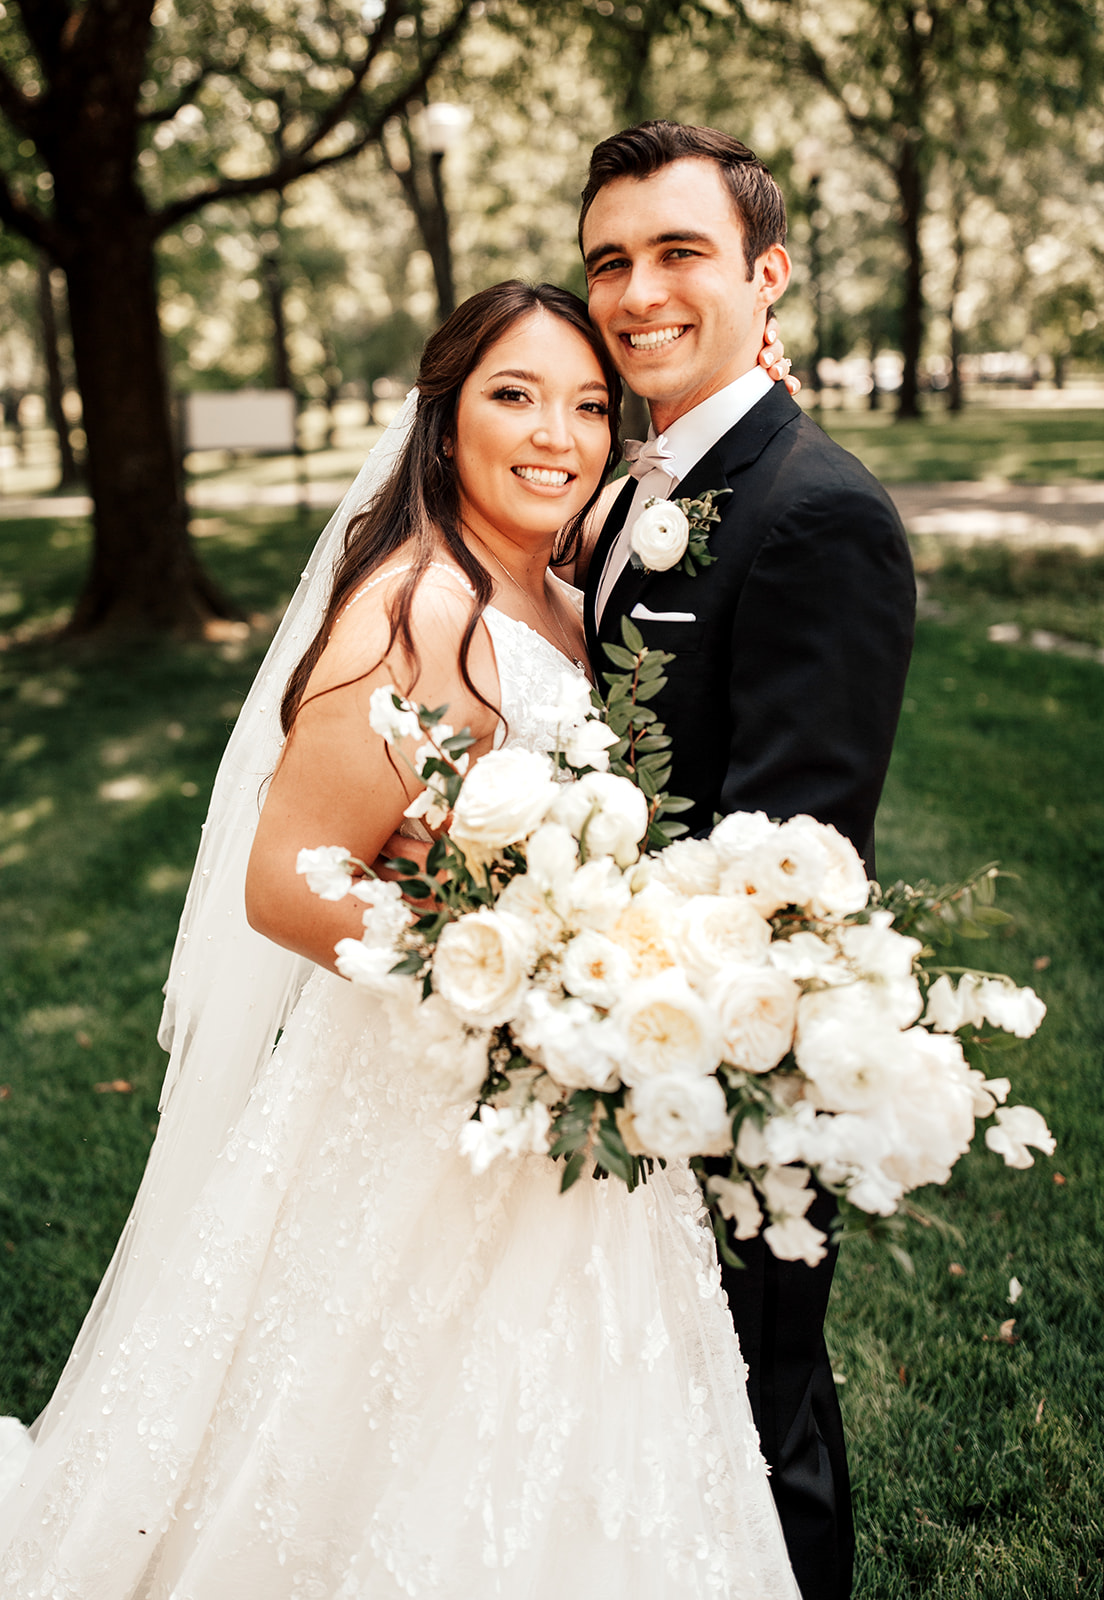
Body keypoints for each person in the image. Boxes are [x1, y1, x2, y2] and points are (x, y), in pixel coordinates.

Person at [0, 281, 802, 1598]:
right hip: (423, 1093)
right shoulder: (413, 605)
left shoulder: (555, 592)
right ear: (443, 418)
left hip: (568, 1099)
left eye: (591, 406)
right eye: (515, 395)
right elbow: (287, 883)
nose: (558, 434)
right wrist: (518, 983)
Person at [576, 122, 917, 1600]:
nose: (639, 290)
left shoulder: (815, 513)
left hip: (729, 1071)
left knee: (756, 1418)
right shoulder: (627, 481)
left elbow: (789, 856)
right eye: (610, 261)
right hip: (603, 1044)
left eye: (679, 253)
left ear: (766, 275)